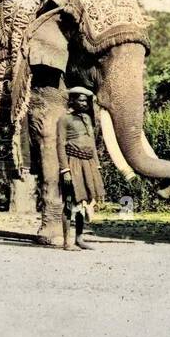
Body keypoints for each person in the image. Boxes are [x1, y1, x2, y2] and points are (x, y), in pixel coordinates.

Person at [57, 87, 104, 250]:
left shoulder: (87, 118)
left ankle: (79, 238)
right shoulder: (64, 119)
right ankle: (66, 241)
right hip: (73, 164)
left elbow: (91, 143)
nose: (84, 103)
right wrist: (65, 170)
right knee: (70, 201)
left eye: (86, 100)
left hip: (88, 163)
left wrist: (96, 165)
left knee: (83, 201)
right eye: (81, 100)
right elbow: (60, 144)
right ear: (72, 101)